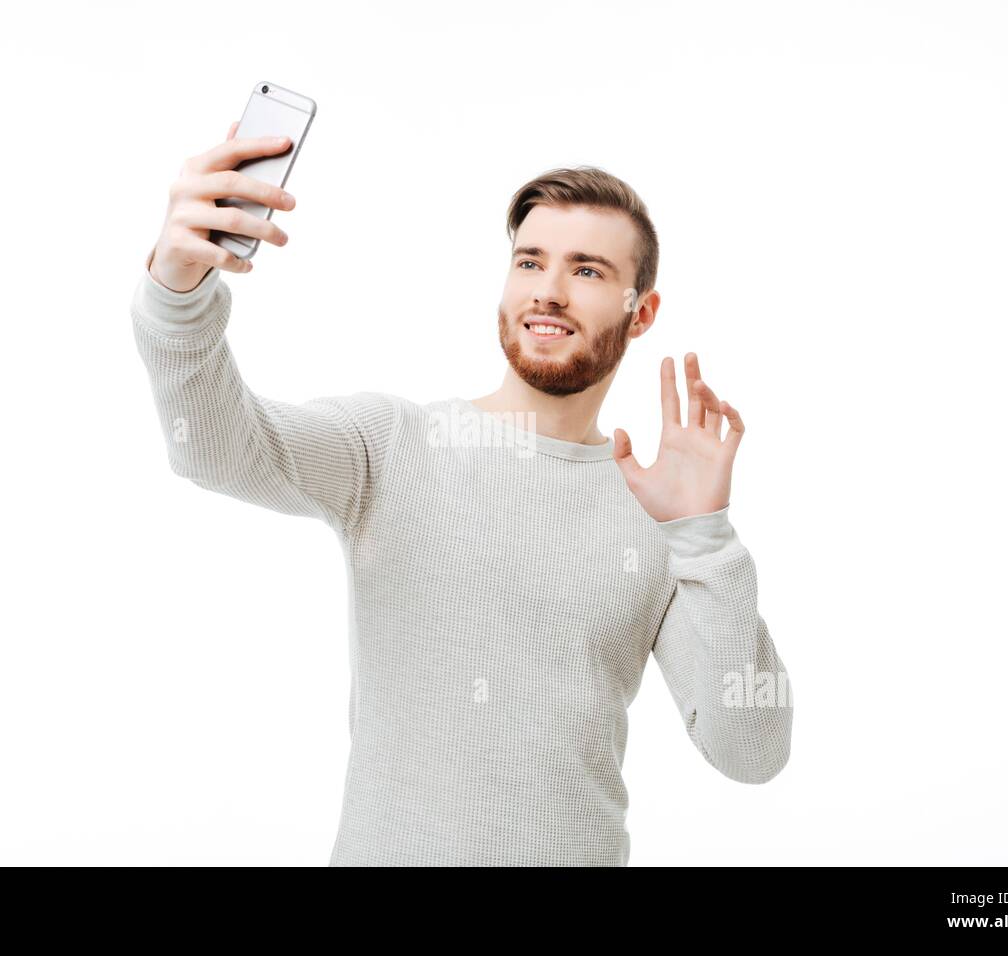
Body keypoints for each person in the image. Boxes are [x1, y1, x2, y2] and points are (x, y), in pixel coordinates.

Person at [130, 121, 794, 866]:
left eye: (587, 271)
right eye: (529, 261)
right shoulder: (390, 446)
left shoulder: (658, 515)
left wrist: (705, 535)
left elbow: (751, 750)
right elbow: (212, 450)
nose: (547, 290)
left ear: (641, 313)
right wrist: (176, 293)